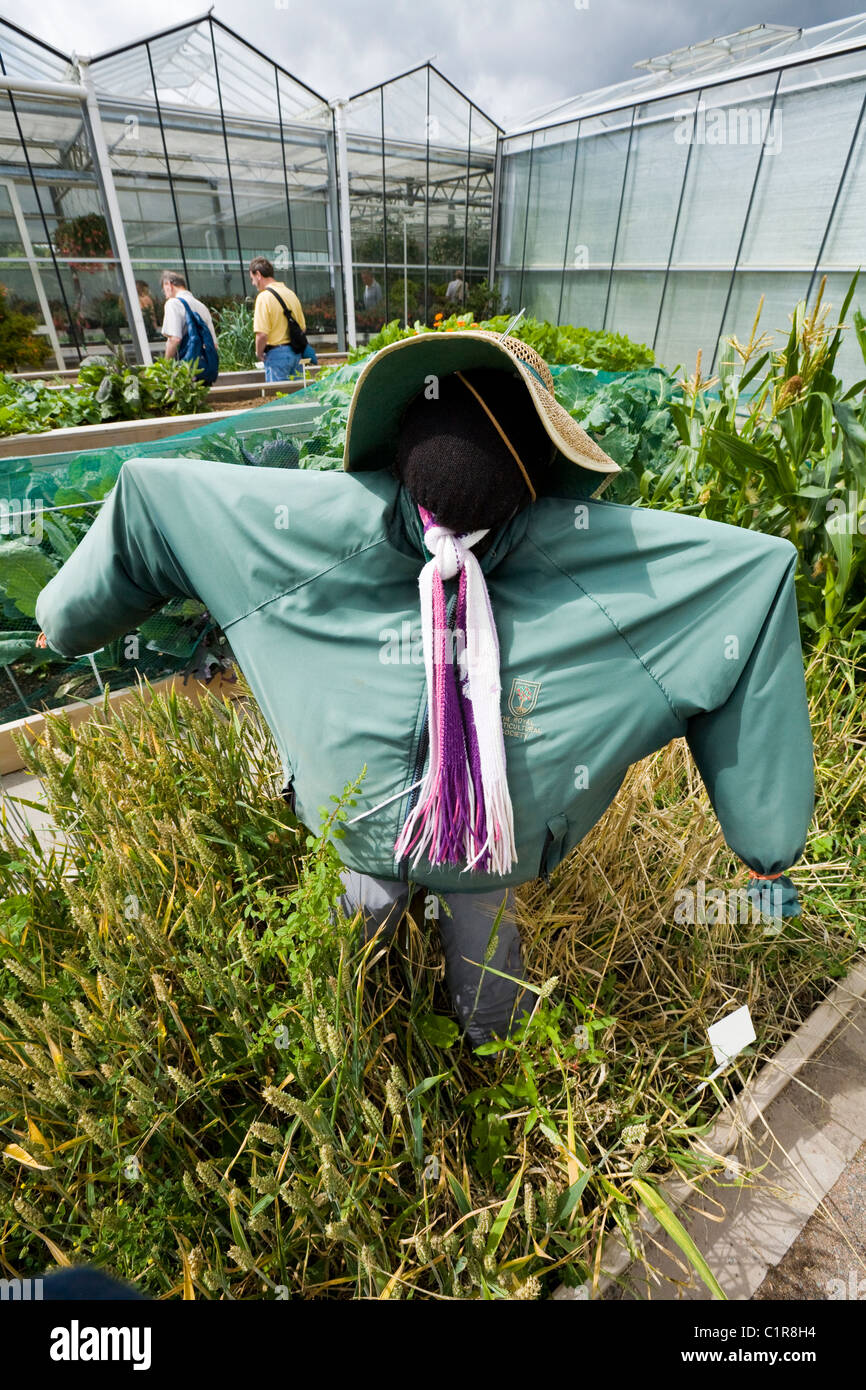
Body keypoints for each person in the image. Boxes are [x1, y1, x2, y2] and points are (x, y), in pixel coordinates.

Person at [34, 331, 814, 1049]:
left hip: (377, 820)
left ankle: (369, 1032)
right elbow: (754, 582)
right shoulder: (596, 562)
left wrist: (65, 622)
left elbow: (154, 503)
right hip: (486, 845)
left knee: (371, 921)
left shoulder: (310, 525)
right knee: (471, 950)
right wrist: (767, 841)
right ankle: (478, 1052)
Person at [249, 256, 318, 383]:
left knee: (278, 398)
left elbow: (262, 334)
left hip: (276, 356)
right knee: (296, 397)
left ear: (258, 275)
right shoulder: (290, 293)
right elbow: (302, 328)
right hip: (296, 353)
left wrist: (259, 353)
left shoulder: (264, 297)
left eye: (252, 279)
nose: (253, 283)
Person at [160, 271, 219, 383]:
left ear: (169, 284)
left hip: (184, 371)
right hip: (203, 371)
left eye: (164, 289)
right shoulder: (202, 306)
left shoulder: (173, 303)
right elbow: (214, 345)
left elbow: (174, 339)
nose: (165, 294)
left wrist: (166, 367)